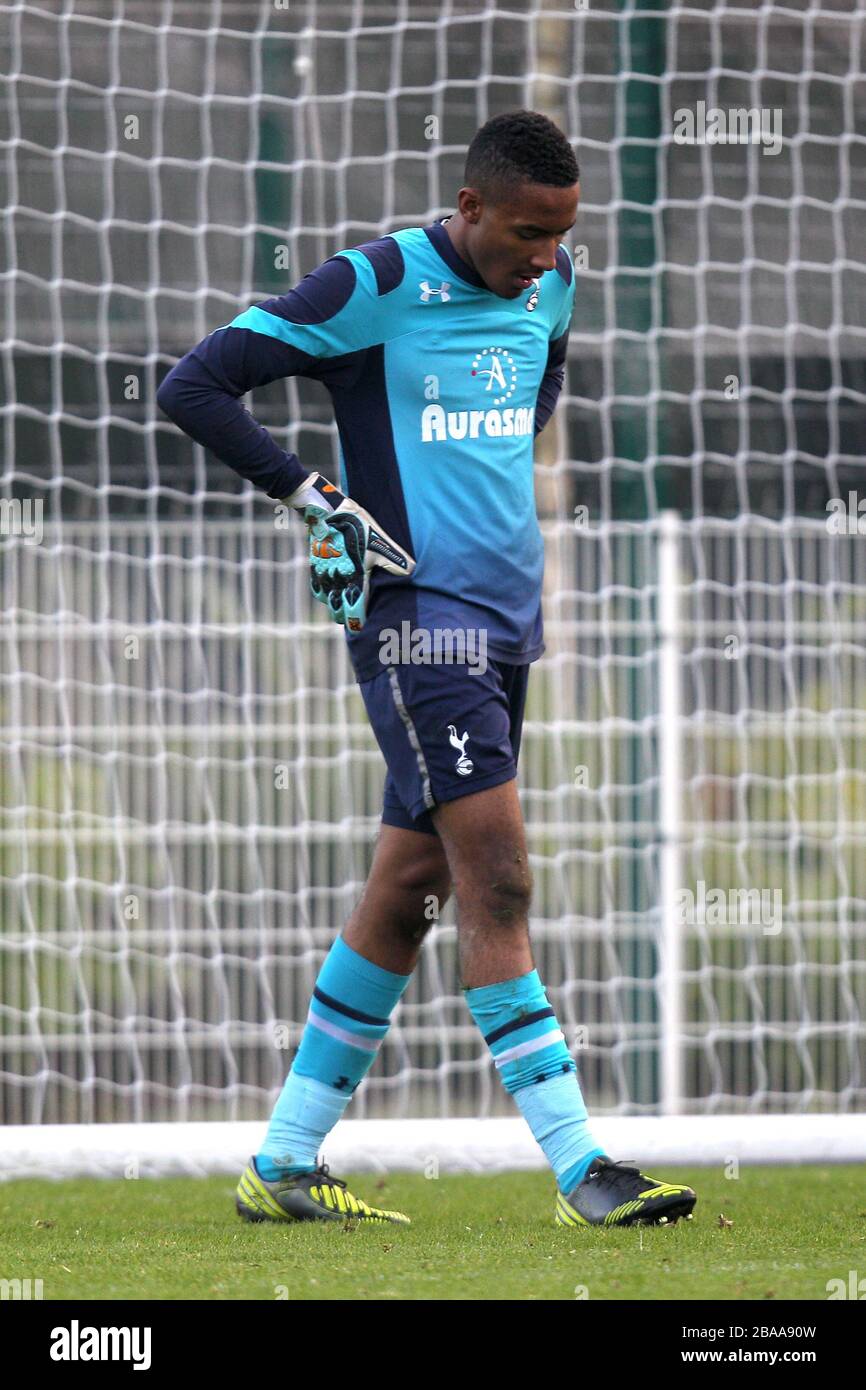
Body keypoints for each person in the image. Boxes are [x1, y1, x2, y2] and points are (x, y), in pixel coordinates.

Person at [157, 109, 697, 1229]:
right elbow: (196, 383)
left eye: (560, 236)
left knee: (408, 891)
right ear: (467, 209)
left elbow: (534, 395)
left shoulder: (551, 287)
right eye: (524, 234)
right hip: (417, 624)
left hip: (507, 625)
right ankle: (579, 1166)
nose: (543, 258)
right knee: (496, 879)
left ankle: (283, 1162)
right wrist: (317, 499)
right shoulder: (377, 280)